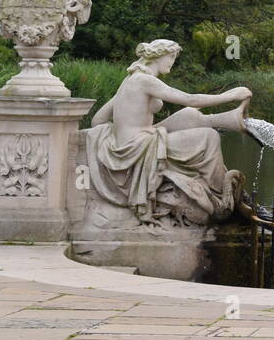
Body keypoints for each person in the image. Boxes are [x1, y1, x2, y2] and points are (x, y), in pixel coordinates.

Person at [85, 39, 252, 226]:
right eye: (171, 56)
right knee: (209, 137)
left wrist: (118, 132)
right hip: (138, 146)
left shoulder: (131, 79)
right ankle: (221, 195)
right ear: (159, 55)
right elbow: (191, 99)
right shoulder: (145, 80)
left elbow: (97, 120)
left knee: (188, 115)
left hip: (133, 140)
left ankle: (228, 121)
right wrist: (230, 95)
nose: (172, 61)